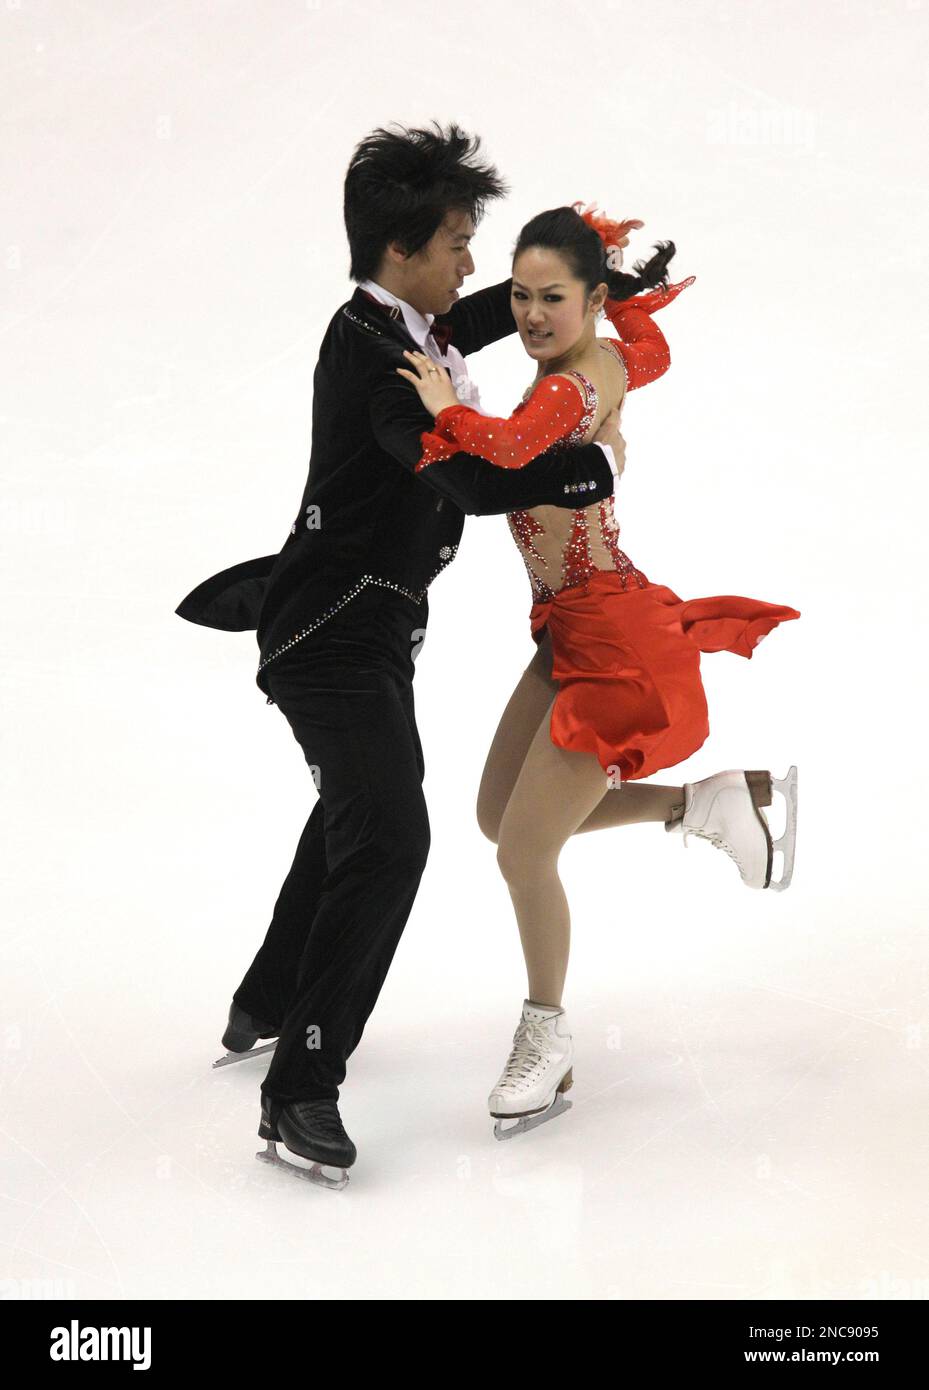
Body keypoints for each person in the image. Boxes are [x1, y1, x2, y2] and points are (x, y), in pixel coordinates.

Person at [174, 125, 627, 1188]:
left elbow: (483, 315)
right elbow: (465, 486)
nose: (476, 268)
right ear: (400, 252)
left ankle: (271, 997)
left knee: (362, 807)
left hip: (366, 629)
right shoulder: (376, 368)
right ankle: (301, 1086)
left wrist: (586, 281)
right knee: (390, 832)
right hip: (327, 635)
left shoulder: (406, 320)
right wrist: (564, 481)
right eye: (460, 242)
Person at [397, 201, 800, 1139]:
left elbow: (502, 447)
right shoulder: (607, 362)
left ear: (588, 297)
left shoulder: (567, 392)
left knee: (523, 851)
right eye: (523, 296)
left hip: (608, 638)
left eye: (554, 299)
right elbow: (648, 358)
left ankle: (546, 1035)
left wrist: (441, 411)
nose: (532, 315)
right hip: (569, 626)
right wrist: (630, 315)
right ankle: (702, 803)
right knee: (499, 816)